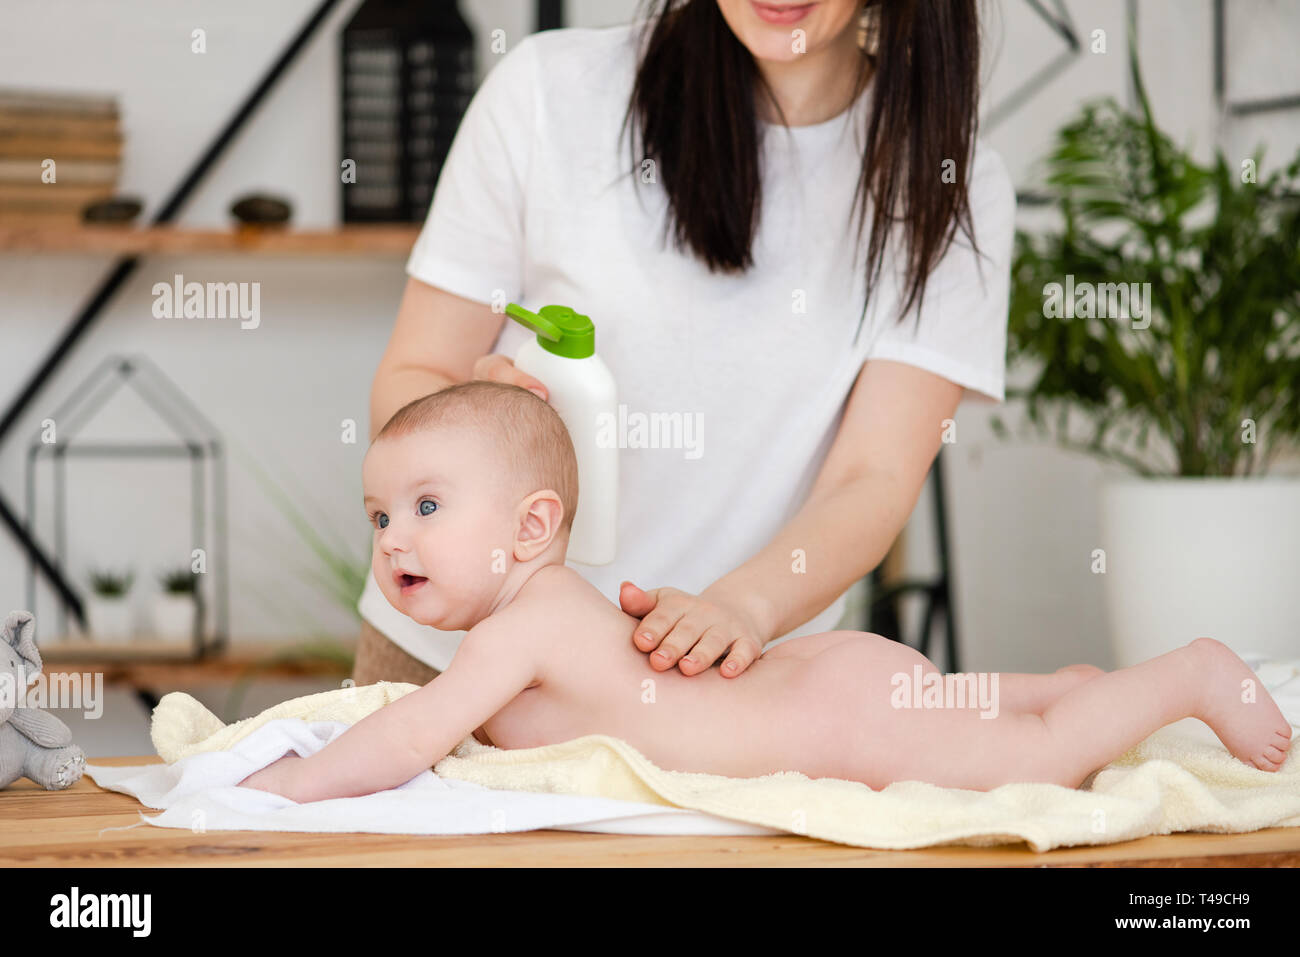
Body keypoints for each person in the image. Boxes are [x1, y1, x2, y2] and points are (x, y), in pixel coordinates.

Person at [356, 0, 1015, 687]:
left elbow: (871, 478)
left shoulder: (950, 182)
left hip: (709, 685)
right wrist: (464, 426)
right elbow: (414, 370)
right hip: (447, 660)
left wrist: (740, 608)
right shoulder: (549, 92)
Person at [240, 382, 1292, 801]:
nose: (392, 541)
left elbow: (413, 731)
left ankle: (1183, 674)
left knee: (1038, 764)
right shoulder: (537, 616)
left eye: (426, 508)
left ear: (531, 528)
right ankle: (1056, 685)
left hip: (842, 720)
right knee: (993, 706)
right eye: (380, 518)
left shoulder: (527, 625)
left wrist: (285, 791)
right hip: (822, 680)